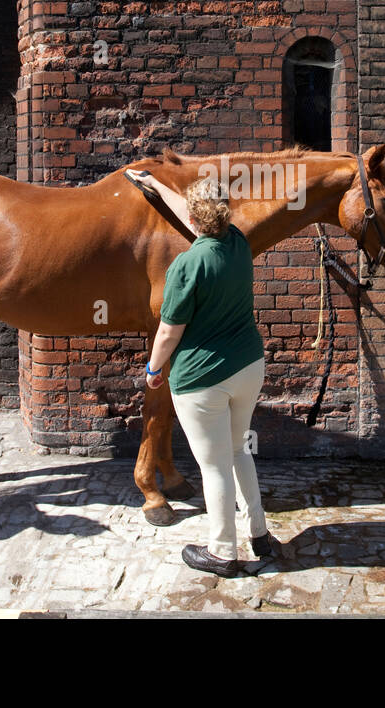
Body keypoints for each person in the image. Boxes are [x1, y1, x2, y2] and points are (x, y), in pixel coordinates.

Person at [128, 170, 279, 577]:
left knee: (214, 467)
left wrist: (153, 370)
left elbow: (167, 332)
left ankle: (223, 553)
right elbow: (193, 214)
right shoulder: (240, 243)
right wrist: (157, 186)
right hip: (249, 367)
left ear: (193, 222)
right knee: (238, 451)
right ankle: (260, 535)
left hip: (202, 380)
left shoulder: (187, 265)